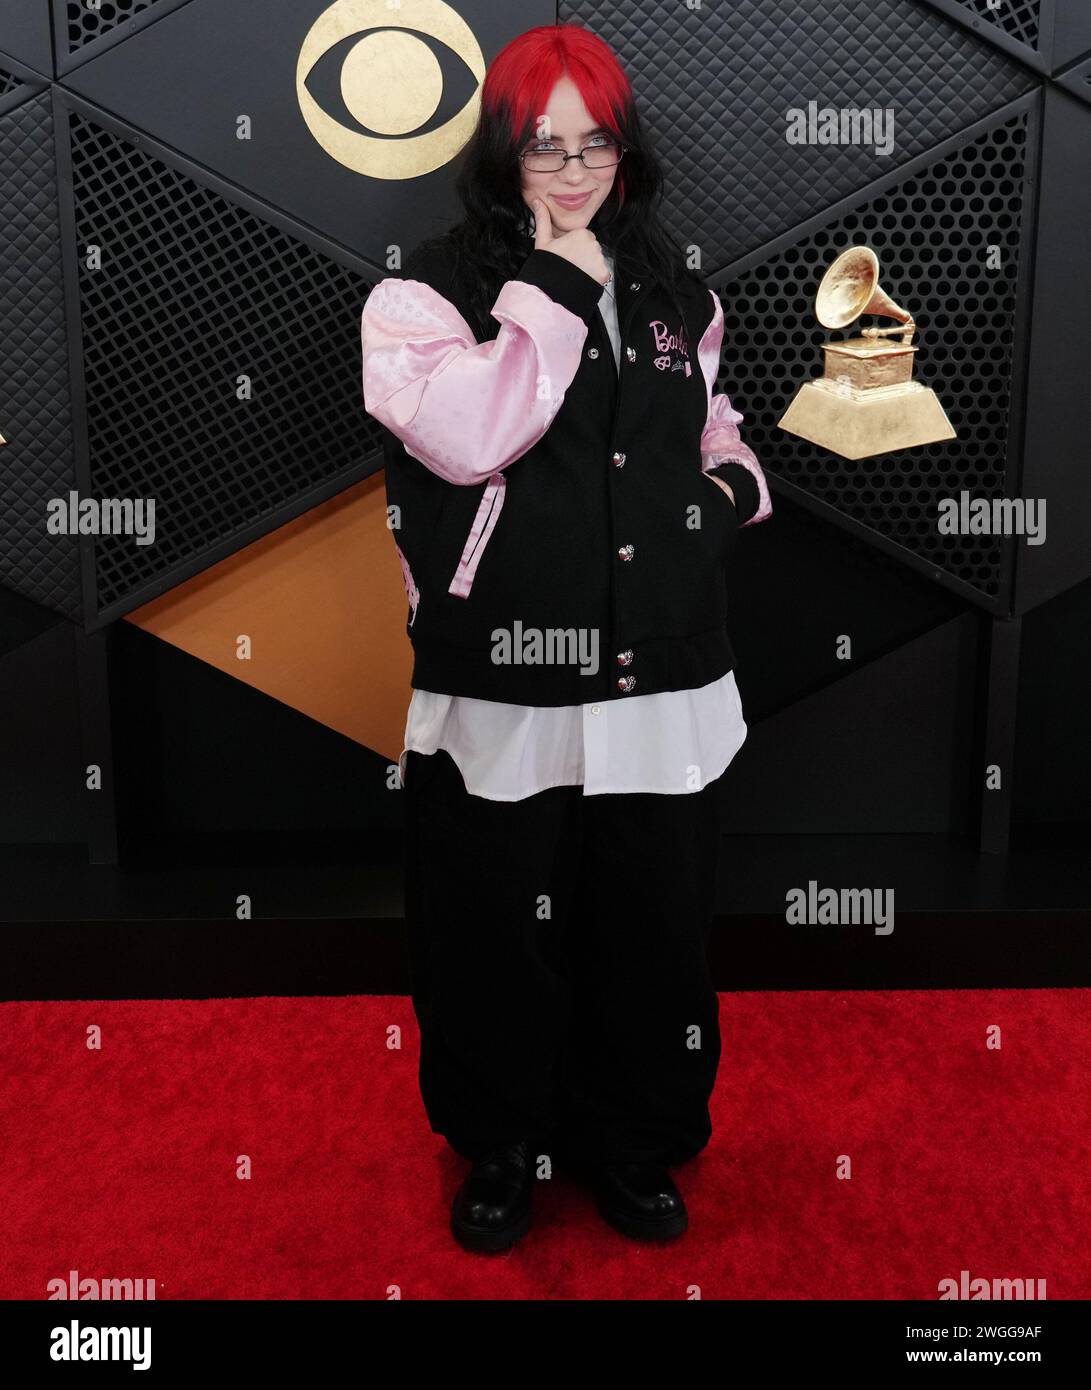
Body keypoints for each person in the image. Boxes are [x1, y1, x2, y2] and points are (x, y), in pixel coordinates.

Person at [361, 21, 771, 1253]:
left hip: (660, 670)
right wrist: (551, 286)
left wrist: (726, 493)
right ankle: (499, 1146)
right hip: (505, 679)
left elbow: (714, 424)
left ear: (623, 149)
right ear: (503, 154)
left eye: (595, 144)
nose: (575, 172)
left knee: (648, 921)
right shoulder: (421, 291)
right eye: (544, 148)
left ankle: (633, 1140)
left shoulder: (676, 290)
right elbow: (468, 435)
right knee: (493, 925)